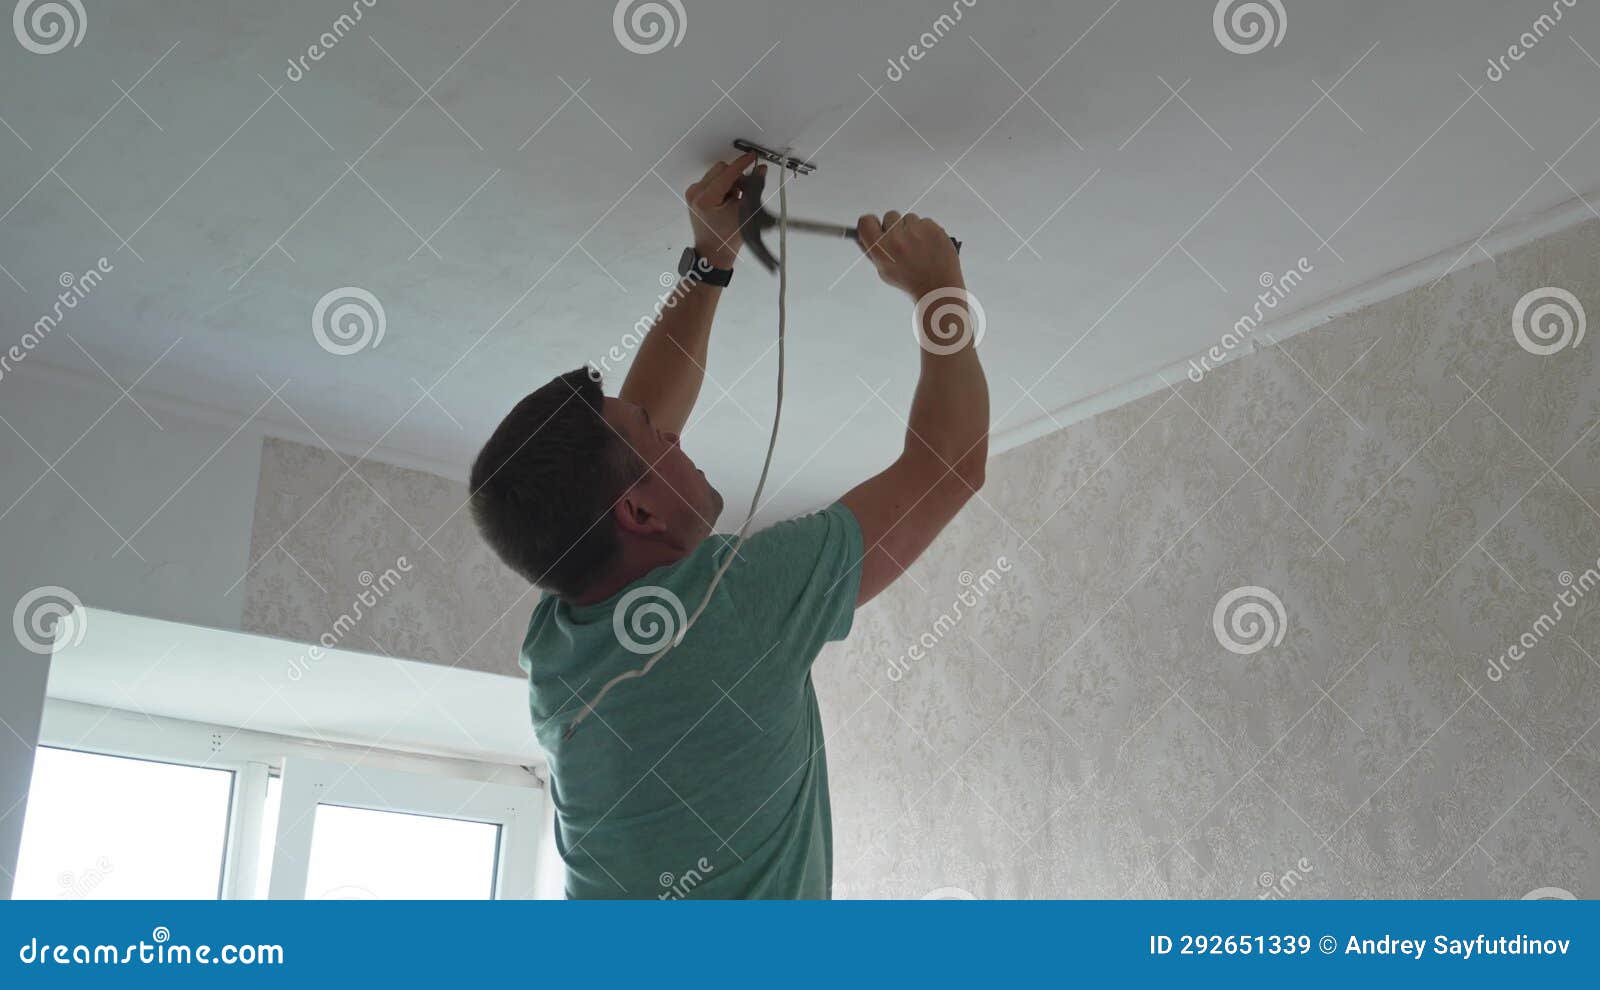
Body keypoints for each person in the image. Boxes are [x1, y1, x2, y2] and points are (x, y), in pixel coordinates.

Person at [468, 152, 989, 898]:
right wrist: (940, 288)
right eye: (659, 434)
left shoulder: (565, 637)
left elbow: (627, 455)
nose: (675, 433)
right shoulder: (723, 610)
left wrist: (711, 260)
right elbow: (948, 468)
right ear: (637, 513)